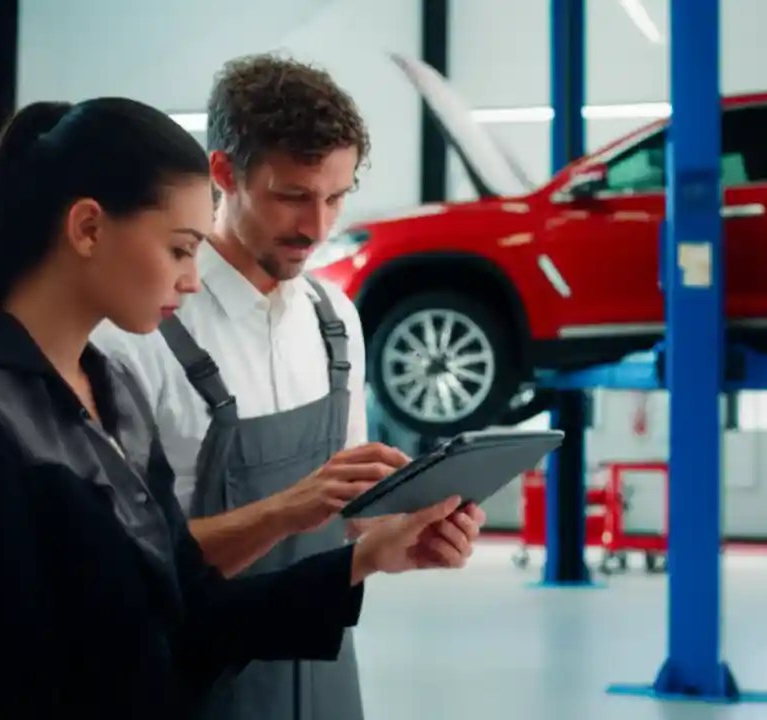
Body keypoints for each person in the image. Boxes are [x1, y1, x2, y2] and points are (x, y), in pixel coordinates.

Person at [0, 97, 481, 720]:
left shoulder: (108, 392)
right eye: (182, 249)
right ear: (88, 229)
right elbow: (19, 693)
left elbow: (188, 606)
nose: (192, 279)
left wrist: (369, 558)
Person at [90, 53, 487, 720]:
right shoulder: (138, 334)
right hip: (196, 686)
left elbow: (354, 511)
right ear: (224, 173)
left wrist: (411, 529)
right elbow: (130, 566)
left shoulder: (338, 323)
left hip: (324, 674)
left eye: (336, 197)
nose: (318, 226)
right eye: (293, 196)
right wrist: (287, 509)